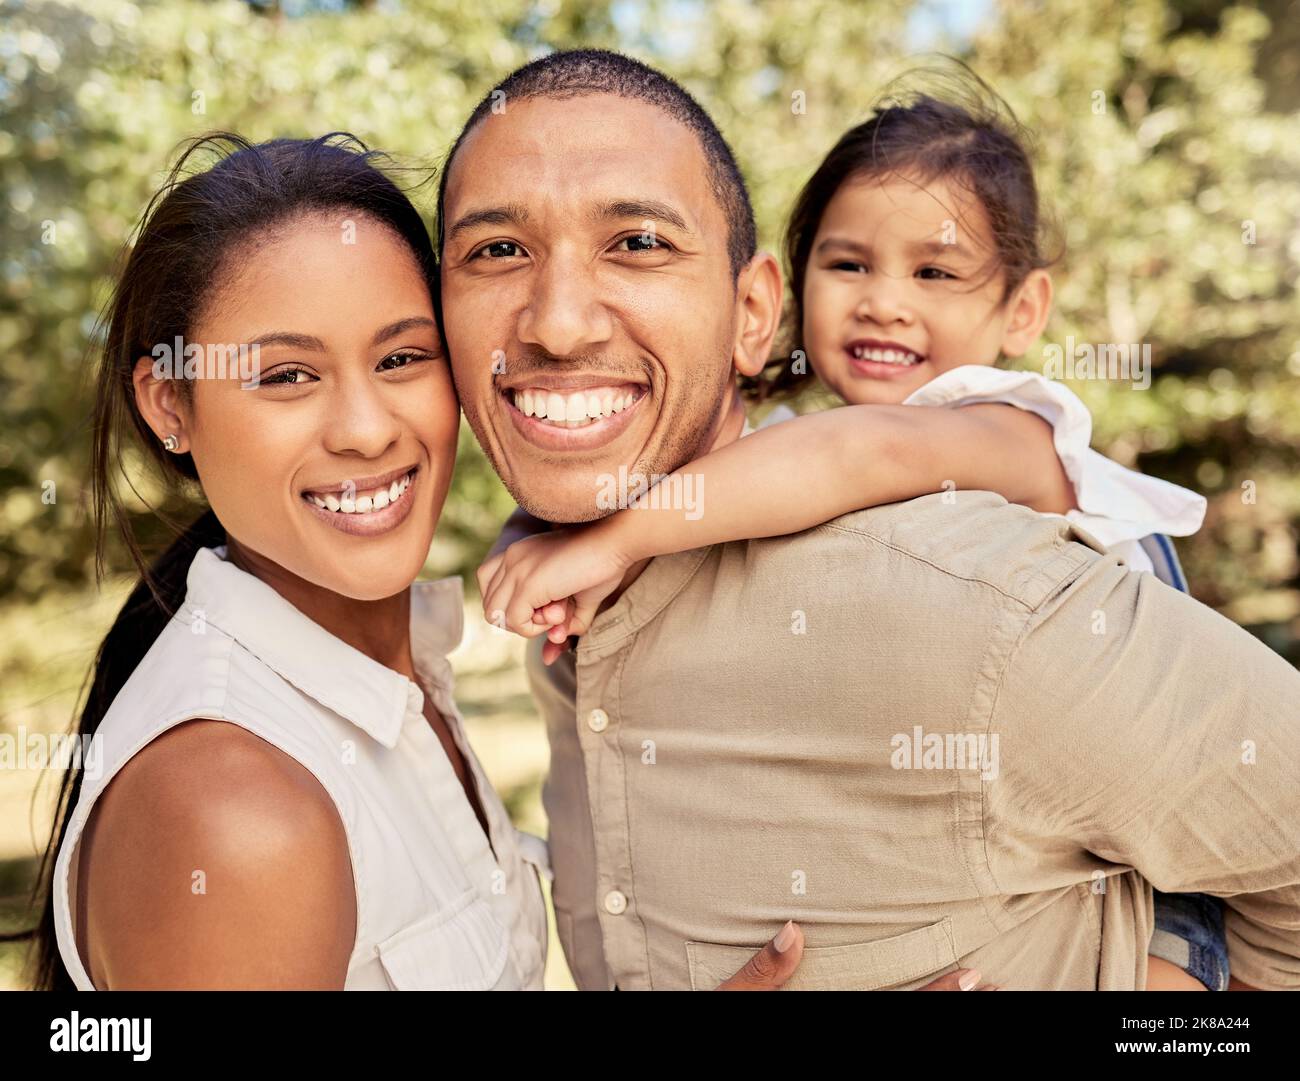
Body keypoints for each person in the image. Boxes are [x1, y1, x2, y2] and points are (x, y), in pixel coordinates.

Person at [438, 48, 1300, 990]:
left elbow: (862, 456)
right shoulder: (578, 621)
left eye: (638, 242)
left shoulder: (987, 486)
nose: (558, 325)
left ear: (751, 309)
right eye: (497, 250)